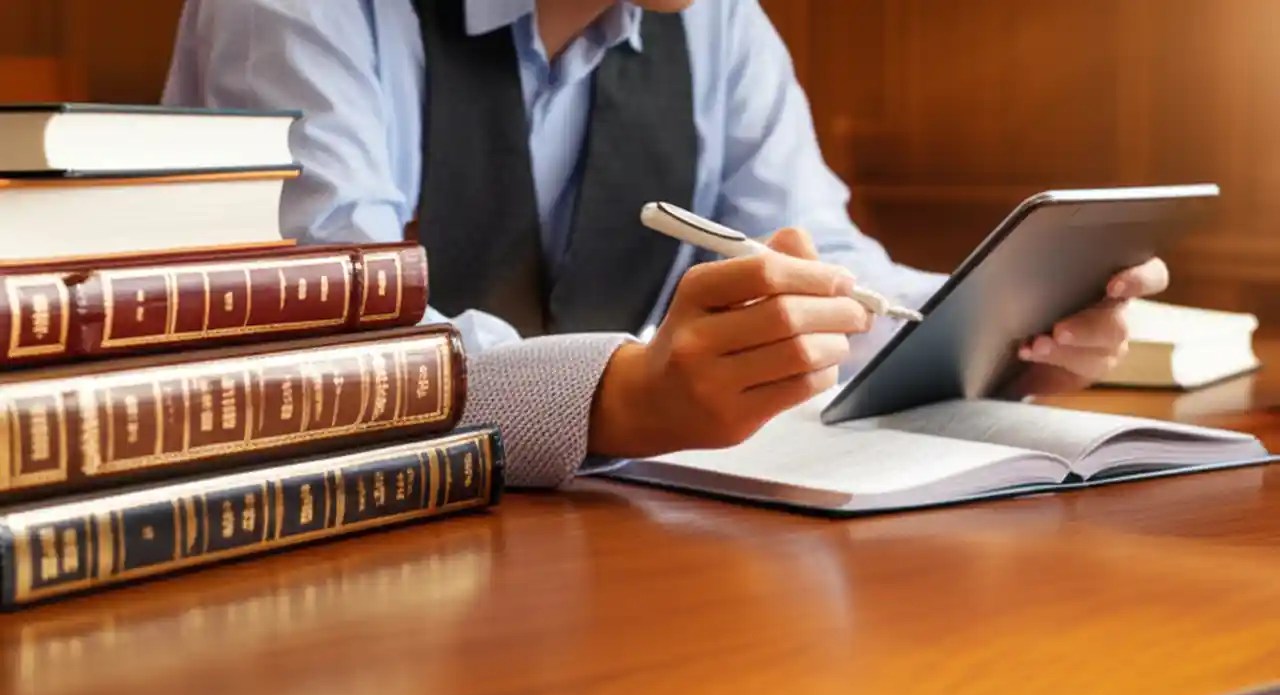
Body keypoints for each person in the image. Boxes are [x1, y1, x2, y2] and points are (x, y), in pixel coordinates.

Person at [163, 0, 1167, 486]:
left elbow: (820, 263)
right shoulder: (300, 10)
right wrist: (619, 398)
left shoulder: (715, 18)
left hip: (613, 545)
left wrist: (1006, 326)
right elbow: (328, 338)